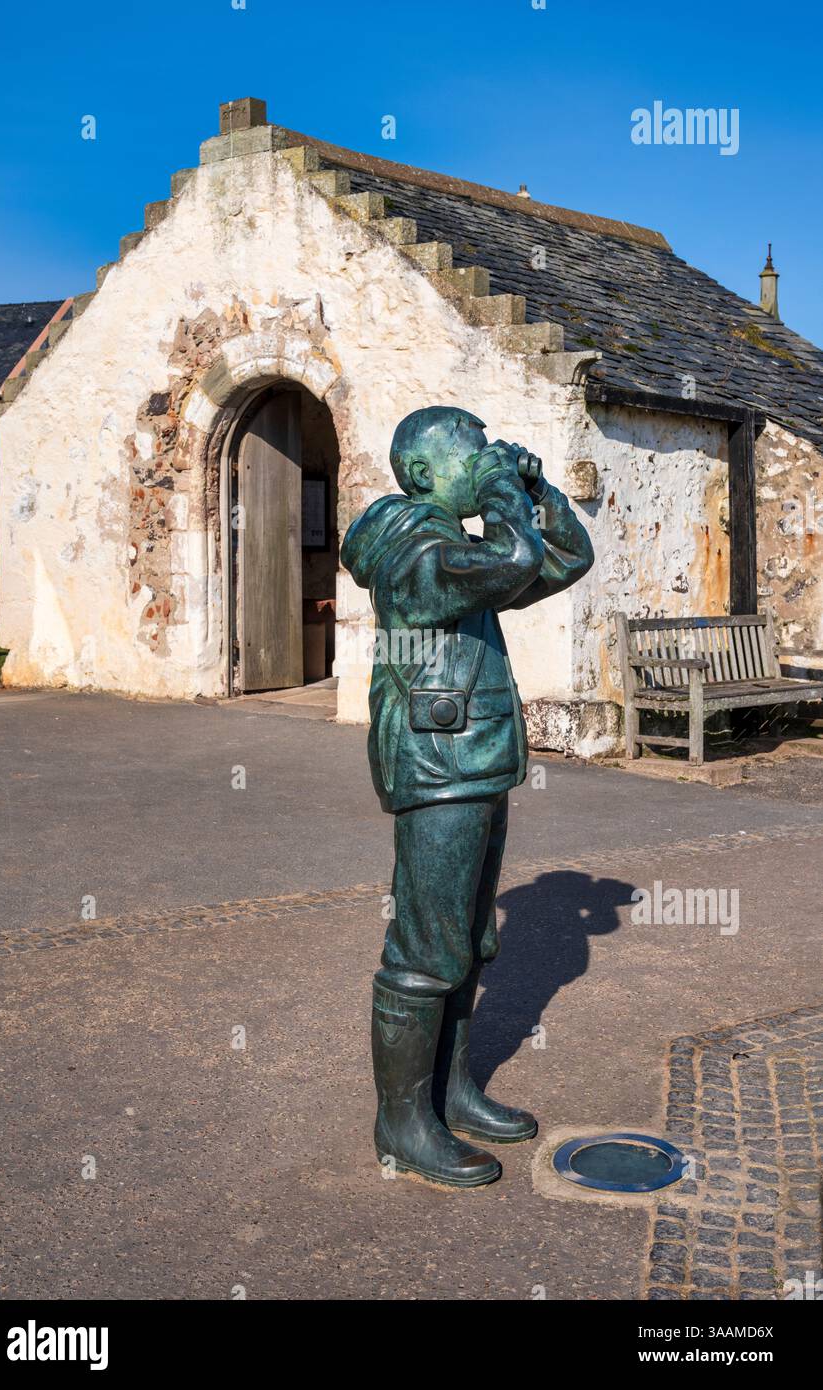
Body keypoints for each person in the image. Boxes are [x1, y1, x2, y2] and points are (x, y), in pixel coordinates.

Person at [341, 405, 594, 1187]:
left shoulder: (454, 547)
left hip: (473, 757)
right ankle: (403, 1124)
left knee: (470, 939)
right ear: (421, 473)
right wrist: (500, 494)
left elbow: (559, 559)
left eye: (488, 452)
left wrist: (535, 487)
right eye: (471, 454)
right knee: (425, 951)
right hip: (438, 764)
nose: (485, 461)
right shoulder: (412, 547)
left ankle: (449, 1091)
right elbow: (514, 559)